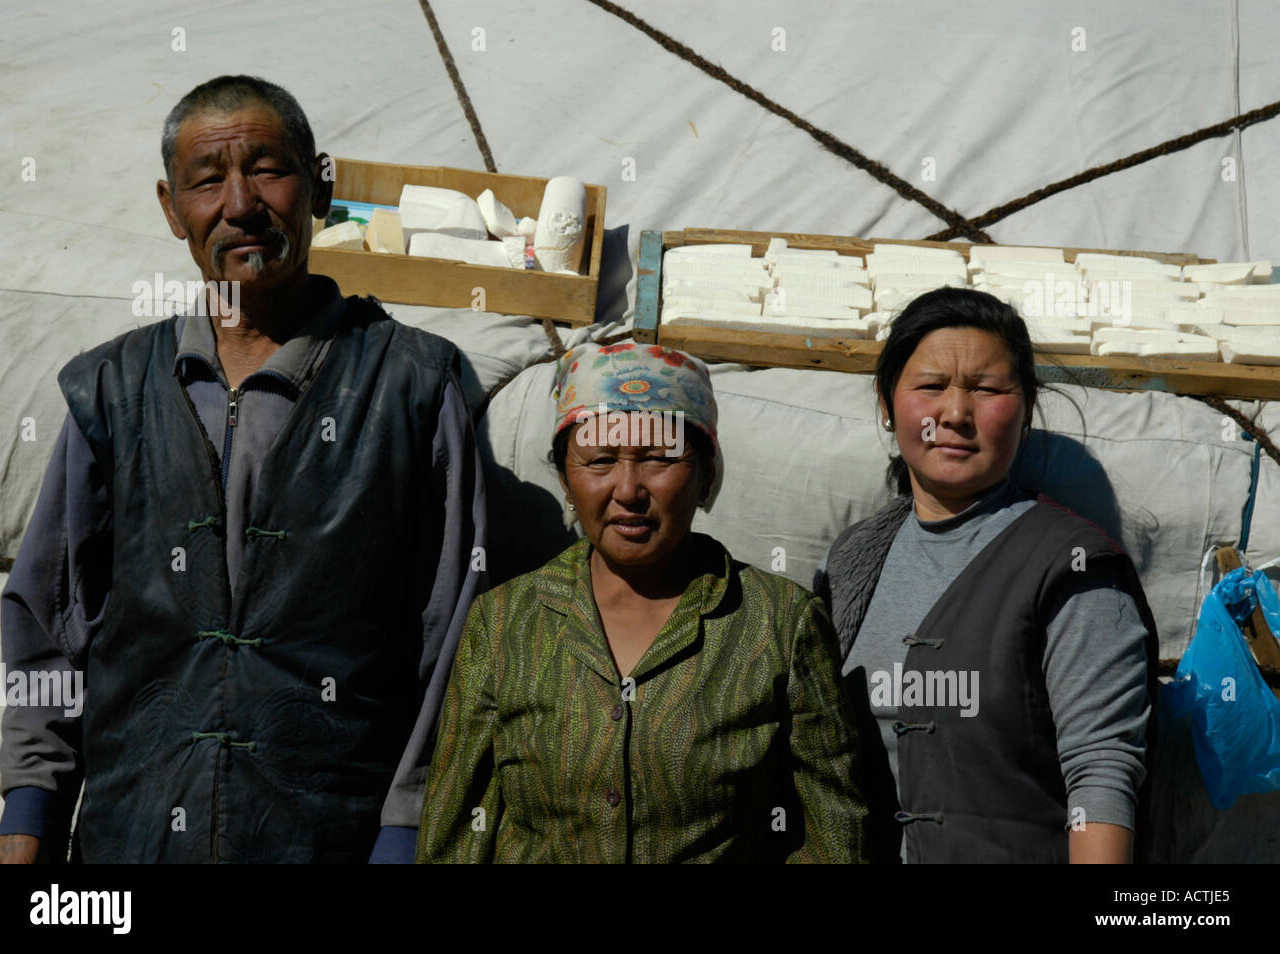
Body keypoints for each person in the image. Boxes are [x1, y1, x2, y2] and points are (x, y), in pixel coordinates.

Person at [0, 75, 486, 864]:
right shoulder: (111, 389)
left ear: (320, 186)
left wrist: (403, 833)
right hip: (130, 838)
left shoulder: (417, 384)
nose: (241, 202)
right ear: (170, 205)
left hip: (330, 837)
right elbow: (49, 613)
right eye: (208, 179)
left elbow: (456, 631)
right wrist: (29, 812)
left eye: (268, 169)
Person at [417, 341, 870, 862]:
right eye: (600, 460)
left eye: (659, 459)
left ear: (705, 477)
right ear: (565, 477)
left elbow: (834, 834)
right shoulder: (502, 623)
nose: (628, 489)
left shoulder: (780, 625)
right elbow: (457, 829)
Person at [816, 287, 1159, 864]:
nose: (954, 413)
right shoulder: (852, 560)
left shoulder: (1074, 569)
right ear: (885, 402)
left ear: (1025, 408)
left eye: (987, 389)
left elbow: (1101, 770)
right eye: (930, 386)